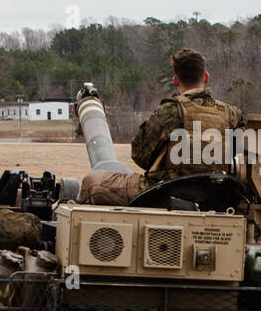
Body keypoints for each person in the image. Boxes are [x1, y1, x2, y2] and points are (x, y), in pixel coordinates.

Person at [80, 48, 244, 205]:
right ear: (206, 77)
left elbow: (140, 155)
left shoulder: (169, 112)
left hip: (167, 192)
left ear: (175, 80)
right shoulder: (231, 114)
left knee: (92, 182)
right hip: (213, 194)